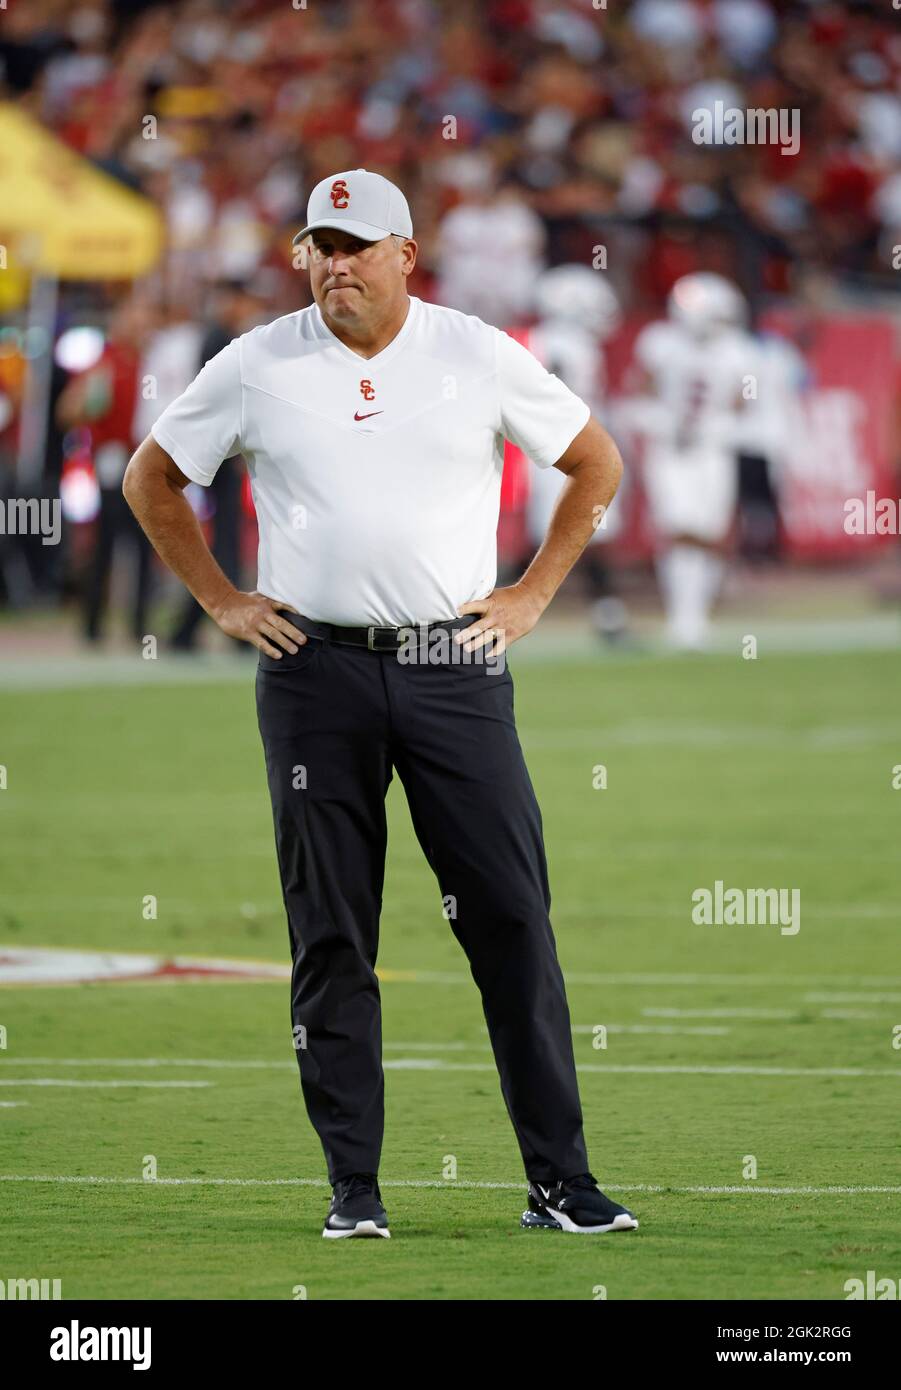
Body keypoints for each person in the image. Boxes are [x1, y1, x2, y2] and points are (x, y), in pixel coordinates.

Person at [123, 168, 635, 1240]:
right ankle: (353, 1190)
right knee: (330, 934)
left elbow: (593, 461)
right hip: (315, 674)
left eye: (357, 245)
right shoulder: (257, 362)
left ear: (407, 253)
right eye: (321, 244)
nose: (336, 264)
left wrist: (534, 593)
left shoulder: (473, 351)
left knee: (510, 919)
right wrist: (219, 598)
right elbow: (151, 479)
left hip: (455, 669)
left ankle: (561, 1183)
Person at [631, 272, 754, 651]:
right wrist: (666, 424)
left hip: (711, 448)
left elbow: (745, 400)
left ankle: (695, 616)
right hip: (672, 449)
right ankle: (684, 619)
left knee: (709, 531)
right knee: (678, 526)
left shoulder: (738, 350)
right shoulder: (660, 342)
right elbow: (643, 390)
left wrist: (713, 425)